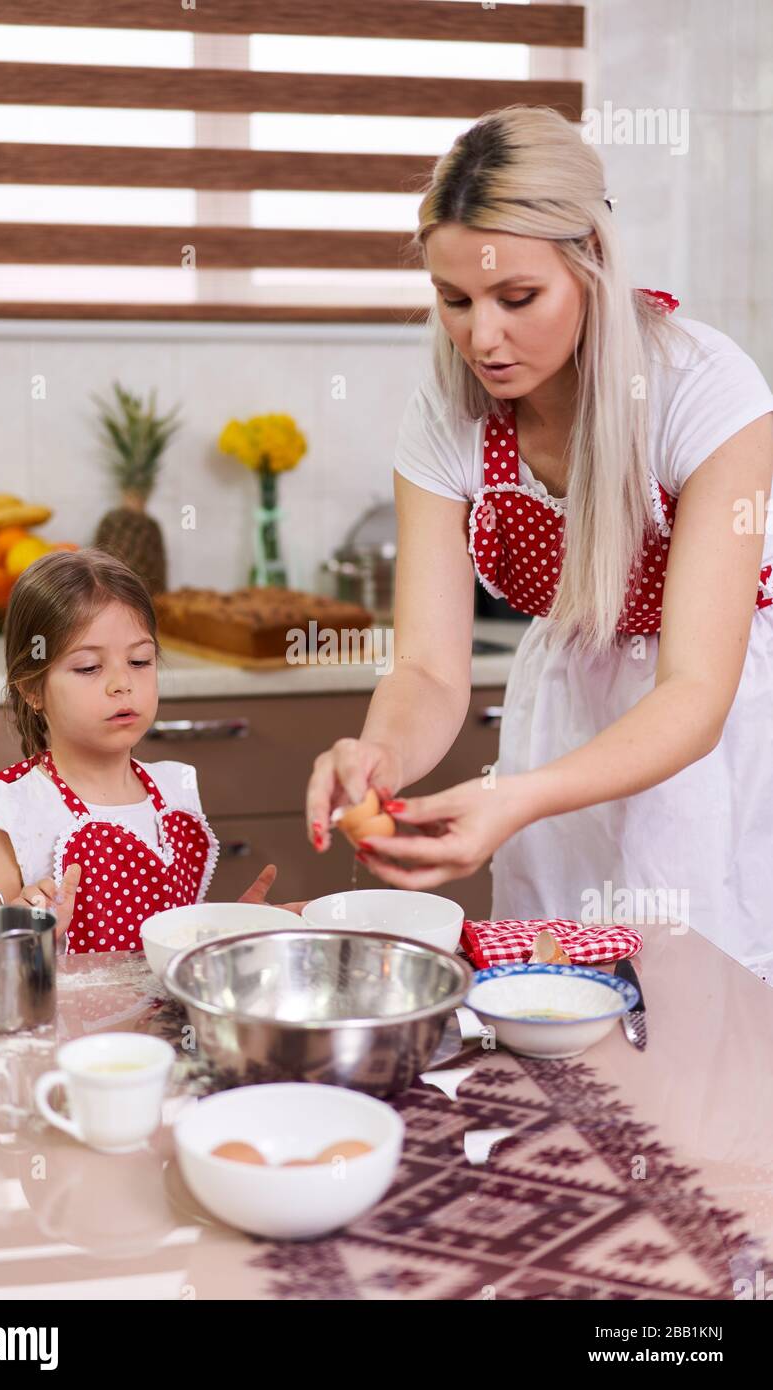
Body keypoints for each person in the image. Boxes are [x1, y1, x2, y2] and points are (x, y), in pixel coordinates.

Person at [305, 105, 773, 979]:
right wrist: (382, 755)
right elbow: (431, 671)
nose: (482, 337)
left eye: (518, 298)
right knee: (557, 997)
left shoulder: (702, 390)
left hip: (712, 735)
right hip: (565, 717)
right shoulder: (446, 416)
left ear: (591, 259)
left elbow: (697, 692)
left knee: (700, 1005)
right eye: (454, 300)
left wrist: (511, 798)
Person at [0, 548, 299, 955]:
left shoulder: (175, 793)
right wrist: (18, 937)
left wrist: (231, 936)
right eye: (88, 668)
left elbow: (173, 945)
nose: (122, 683)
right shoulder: (11, 816)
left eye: (139, 660)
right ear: (32, 688)